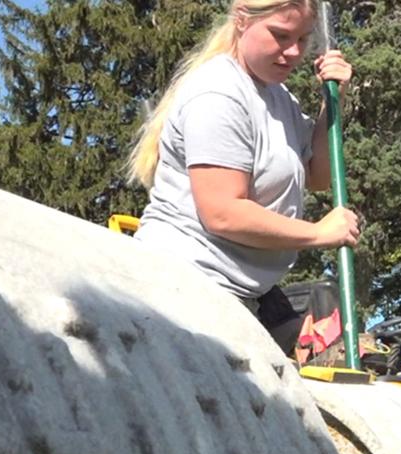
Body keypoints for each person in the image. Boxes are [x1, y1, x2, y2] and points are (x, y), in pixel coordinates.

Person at [126, 0, 359, 354]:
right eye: (281, 35)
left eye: (303, 38)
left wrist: (332, 104)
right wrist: (318, 233)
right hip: (186, 287)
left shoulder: (277, 97)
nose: (293, 52)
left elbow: (316, 176)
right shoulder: (219, 94)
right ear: (241, 20)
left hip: (245, 290)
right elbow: (222, 213)